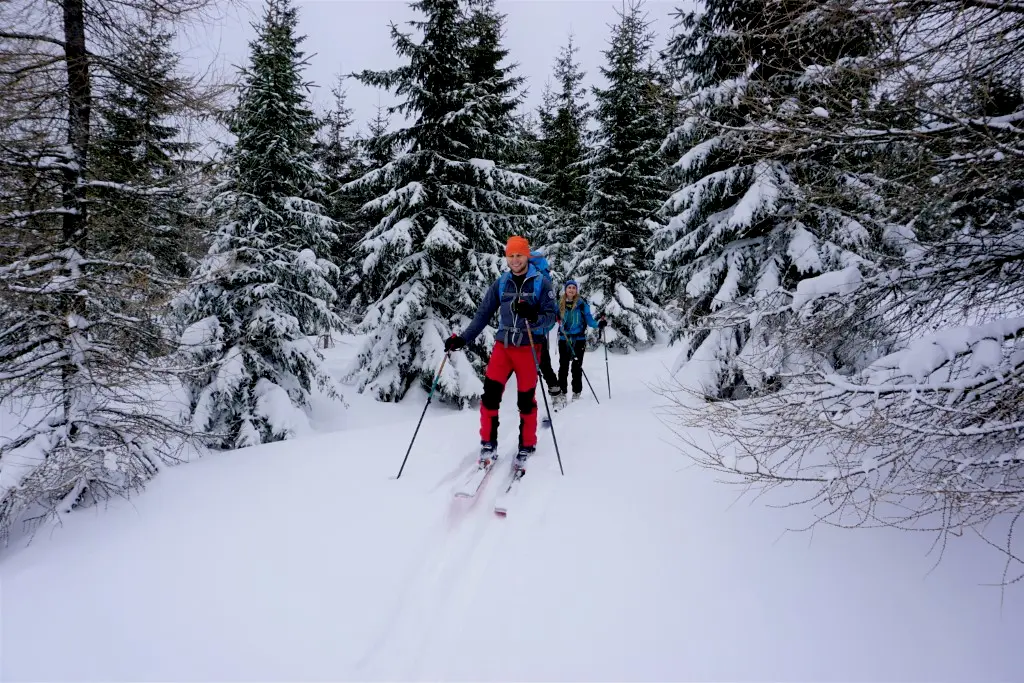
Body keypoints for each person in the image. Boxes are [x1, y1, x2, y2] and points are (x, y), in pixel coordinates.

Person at [444, 235, 558, 467]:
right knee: (490, 396)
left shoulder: (541, 283)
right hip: (503, 347)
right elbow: (483, 314)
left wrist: (534, 317)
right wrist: (463, 339)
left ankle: (527, 444)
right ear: (506, 258)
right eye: (511, 256)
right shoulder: (501, 283)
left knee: (526, 401)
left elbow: (551, 319)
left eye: (519, 255)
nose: (515, 260)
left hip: (528, 347)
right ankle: (488, 443)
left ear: (527, 256)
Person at [554, 279, 605, 406]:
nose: (571, 289)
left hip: (579, 340)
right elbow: (552, 318)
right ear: (565, 290)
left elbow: (589, 320)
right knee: (563, 367)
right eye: (569, 287)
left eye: (573, 287)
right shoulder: (559, 304)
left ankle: (577, 392)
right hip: (564, 339)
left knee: (577, 367)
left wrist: (598, 324)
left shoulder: (582, 304)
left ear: (576, 290)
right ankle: (563, 392)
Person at [528, 248, 561, 395]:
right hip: (537, 329)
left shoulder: (538, 279)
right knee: (542, 363)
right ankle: (554, 392)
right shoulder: (544, 277)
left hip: (531, 329)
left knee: (534, 365)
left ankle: (529, 399)